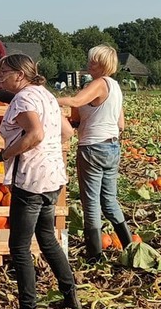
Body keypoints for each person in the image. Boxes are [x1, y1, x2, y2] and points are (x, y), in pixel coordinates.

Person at [0, 53, 81, 309]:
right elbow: (68, 132)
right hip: (52, 177)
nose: (1, 77)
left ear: (20, 75)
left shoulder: (24, 98)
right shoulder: (46, 95)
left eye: (5, 73)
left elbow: (35, 134)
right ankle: (71, 297)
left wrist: (3, 155)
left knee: (20, 247)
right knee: (47, 238)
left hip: (32, 179)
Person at [57, 45, 133, 261]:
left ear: (103, 65)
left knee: (90, 203)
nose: (89, 64)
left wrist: (47, 101)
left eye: (93, 61)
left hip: (92, 148)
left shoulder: (98, 84)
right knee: (109, 201)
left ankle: (95, 255)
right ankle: (129, 247)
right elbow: (121, 124)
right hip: (112, 147)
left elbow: (76, 101)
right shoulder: (116, 87)